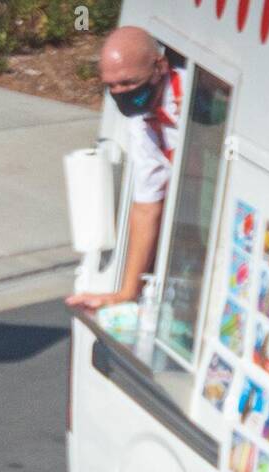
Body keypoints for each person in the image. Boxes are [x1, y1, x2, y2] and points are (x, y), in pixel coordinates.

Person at [66, 26, 186, 311]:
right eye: (112, 86)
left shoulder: (193, 100)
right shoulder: (141, 122)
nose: (119, 93)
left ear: (160, 67)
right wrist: (126, 292)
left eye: (128, 83)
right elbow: (146, 205)